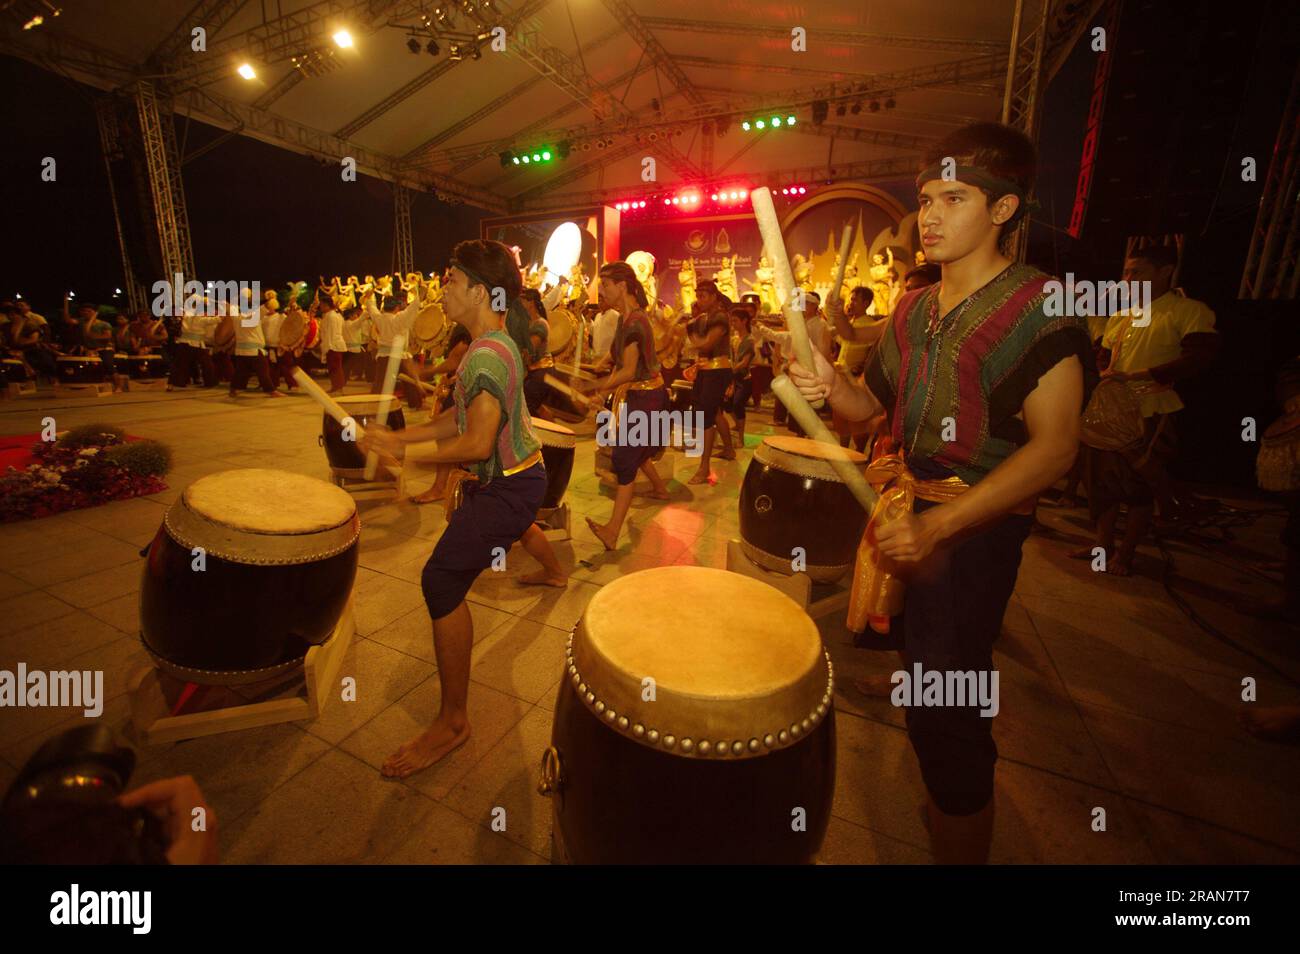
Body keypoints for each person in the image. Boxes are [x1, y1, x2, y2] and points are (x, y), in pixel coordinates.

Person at [787, 122, 1094, 864]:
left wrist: (943, 523)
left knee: (946, 707)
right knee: (922, 676)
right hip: (912, 508)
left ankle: (961, 817)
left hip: (977, 528)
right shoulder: (913, 310)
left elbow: (1056, 446)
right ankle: (952, 806)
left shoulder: (1041, 304)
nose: (928, 215)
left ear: (1003, 209)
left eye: (952, 198)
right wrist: (831, 385)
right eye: (925, 198)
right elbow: (870, 411)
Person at [358, 240, 565, 778]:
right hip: (515, 481)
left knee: (440, 582)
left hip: (510, 488)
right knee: (444, 580)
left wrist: (406, 454)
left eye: (450, 281)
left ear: (479, 290)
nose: (441, 290)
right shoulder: (491, 344)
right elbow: (455, 418)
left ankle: (453, 722)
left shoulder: (488, 353)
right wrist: (396, 438)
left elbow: (475, 443)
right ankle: (454, 715)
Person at [1096, 244, 1219, 525]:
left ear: (1165, 272)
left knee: (1139, 477)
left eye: (1137, 273)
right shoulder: (1120, 316)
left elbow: (1199, 357)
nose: (1128, 281)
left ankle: (1164, 514)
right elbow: (1103, 357)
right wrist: (1105, 373)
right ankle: (1103, 546)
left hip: (1152, 405)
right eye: (1126, 273)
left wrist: (1139, 376)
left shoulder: (1187, 311)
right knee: (1108, 480)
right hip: (1114, 407)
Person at [584, 261, 672, 550]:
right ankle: (660, 489)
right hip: (640, 395)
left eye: (606, 285)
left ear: (622, 286)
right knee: (639, 450)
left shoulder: (635, 321)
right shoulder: (626, 319)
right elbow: (615, 358)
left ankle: (612, 531)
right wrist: (595, 368)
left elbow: (629, 371)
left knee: (624, 457)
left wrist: (597, 386)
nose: (602, 291)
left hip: (647, 396)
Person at [686, 279, 737, 484]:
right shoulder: (705, 317)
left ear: (714, 297)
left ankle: (704, 467)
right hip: (707, 370)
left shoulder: (720, 317)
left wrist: (690, 334)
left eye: (703, 296)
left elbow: (706, 344)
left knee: (705, 417)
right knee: (714, 412)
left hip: (717, 370)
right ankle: (729, 449)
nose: (699, 299)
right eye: (698, 296)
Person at [728, 307, 756, 448]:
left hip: (745, 379)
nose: (733, 324)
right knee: (727, 404)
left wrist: (730, 370)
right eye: (731, 321)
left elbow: (744, 362)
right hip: (734, 378)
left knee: (738, 404)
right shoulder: (734, 339)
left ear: (744, 321)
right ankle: (738, 425)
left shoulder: (749, 340)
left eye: (735, 321)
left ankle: (741, 437)